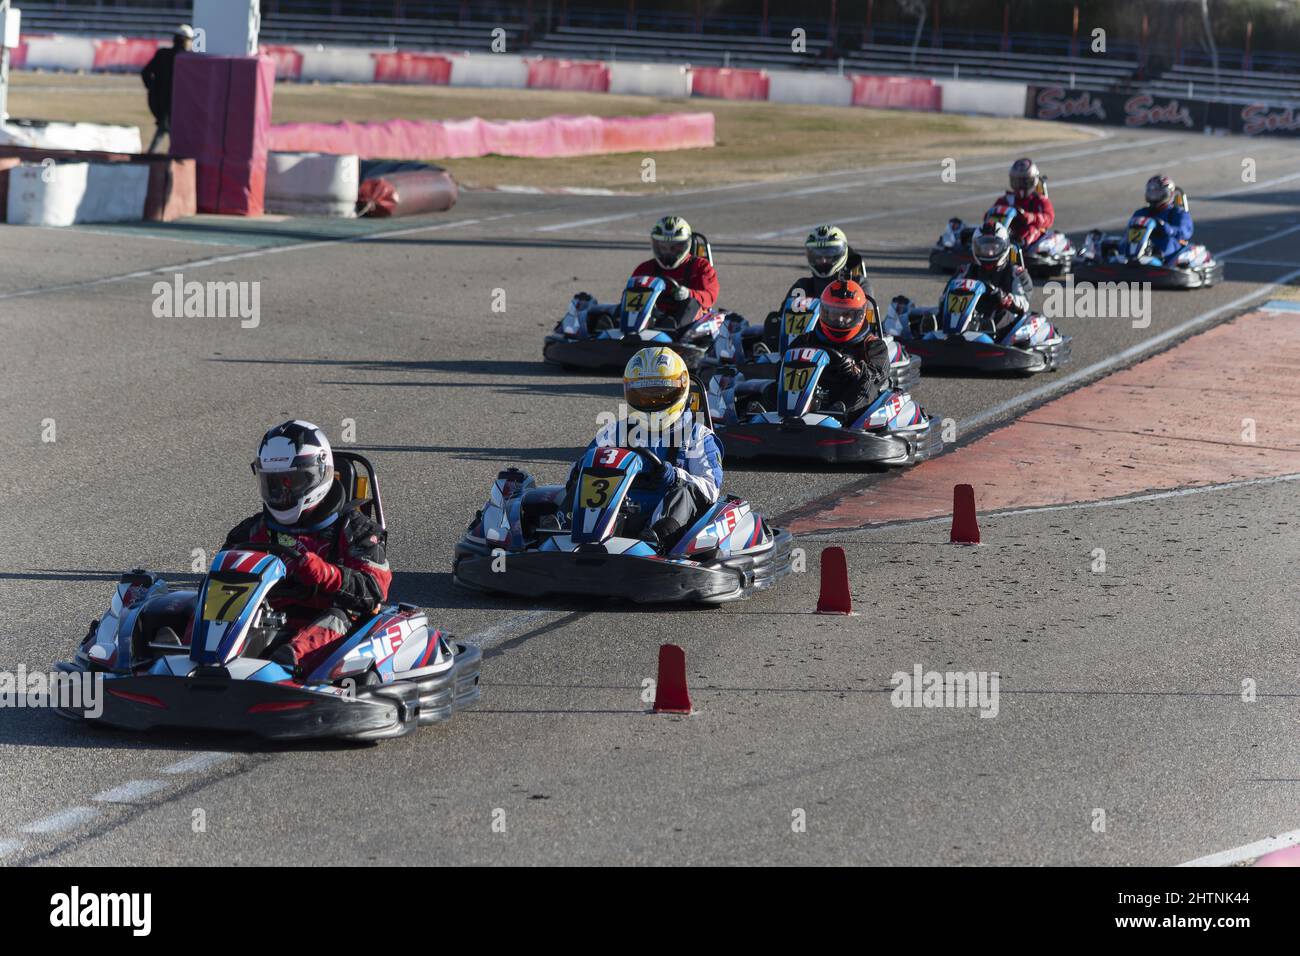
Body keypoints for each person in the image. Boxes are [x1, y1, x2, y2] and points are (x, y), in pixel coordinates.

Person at [221, 420, 391, 676]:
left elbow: (373, 591)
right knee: (205, 604)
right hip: (268, 616)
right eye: (274, 483)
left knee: (336, 618)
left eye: (292, 482)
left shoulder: (357, 530)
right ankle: (190, 658)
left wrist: (327, 574)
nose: (281, 493)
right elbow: (222, 580)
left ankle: (284, 670)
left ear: (319, 474)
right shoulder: (252, 530)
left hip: (329, 620)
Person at [568, 347, 723, 551]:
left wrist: (674, 476)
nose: (652, 400)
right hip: (617, 508)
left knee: (684, 493)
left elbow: (710, 489)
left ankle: (654, 542)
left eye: (660, 393)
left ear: (681, 389)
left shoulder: (698, 436)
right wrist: (584, 467)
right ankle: (564, 527)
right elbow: (578, 471)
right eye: (644, 393)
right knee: (581, 480)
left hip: (667, 517)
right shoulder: (617, 430)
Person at [786, 279, 891, 420]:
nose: (840, 320)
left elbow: (878, 375)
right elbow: (783, 367)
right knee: (771, 390)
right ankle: (764, 418)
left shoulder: (873, 345)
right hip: (810, 397)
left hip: (847, 402)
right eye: (834, 313)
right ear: (823, 312)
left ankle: (838, 417)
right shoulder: (806, 340)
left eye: (847, 315)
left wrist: (856, 370)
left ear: (860, 315)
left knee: (867, 387)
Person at [630, 216, 720, 330]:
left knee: (691, 303)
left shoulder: (700, 267)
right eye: (663, 247)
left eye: (674, 247)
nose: (668, 252)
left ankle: (670, 331)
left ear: (686, 245)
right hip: (650, 320)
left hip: (684, 329)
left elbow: (710, 297)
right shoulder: (645, 269)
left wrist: (689, 294)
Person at [953, 221, 1032, 337]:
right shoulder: (966, 270)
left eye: (994, 248)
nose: (989, 252)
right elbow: (945, 297)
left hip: (1001, 319)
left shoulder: (1016, 273)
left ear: (1004, 247)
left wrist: (1005, 298)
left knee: (1002, 315)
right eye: (984, 248)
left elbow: (1024, 303)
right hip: (970, 316)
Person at [141, 24, 194, 153]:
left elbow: (145, 72)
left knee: (164, 131)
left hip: (159, 103)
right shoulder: (186, 59)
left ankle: (154, 158)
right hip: (174, 106)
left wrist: (153, 89)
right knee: (170, 133)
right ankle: (161, 161)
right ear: (185, 40)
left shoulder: (162, 54)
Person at [1134, 174, 1194, 262]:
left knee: (1170, 241)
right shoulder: (1142, 212)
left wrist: (1166, 228)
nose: (1153, 195)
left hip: (1168, 250)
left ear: (1169, 193)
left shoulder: (1178, 212)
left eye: (1157, 191)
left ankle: (1157, 260)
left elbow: (1185, 232)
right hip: (1145, 244)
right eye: (1151, 191)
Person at [1000, 158, 1056, 249]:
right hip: (1006, 234)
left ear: (1034, 181)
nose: (1020, 186)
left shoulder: (1040, 201)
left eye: (1024, 182)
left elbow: (1049, 219)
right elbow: (990, 214)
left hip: (1031, 239)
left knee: (1033, 230)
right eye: (1017, 182)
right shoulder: (1007, 200)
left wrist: (1030, 217)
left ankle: (1019, 245)